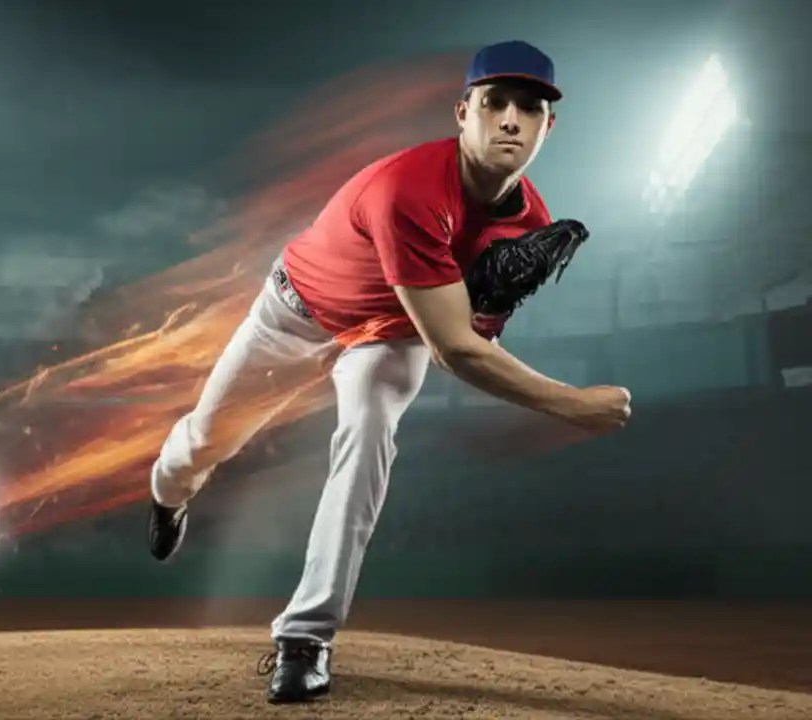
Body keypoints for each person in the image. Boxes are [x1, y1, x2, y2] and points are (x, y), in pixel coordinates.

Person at [145, 40, 632, 704]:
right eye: (495, 102)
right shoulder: (410, 188)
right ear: (463, 112)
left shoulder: (531, 226)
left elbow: (471, 337)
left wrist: (490, 302)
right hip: (295, 315)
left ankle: (305, 637)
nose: (511, 120)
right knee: (204, 442)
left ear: (550, 126)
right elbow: (457, 351)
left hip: (389, 338)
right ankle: (168, 494)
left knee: (370, 435)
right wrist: (573, 403)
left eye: (530, 108)